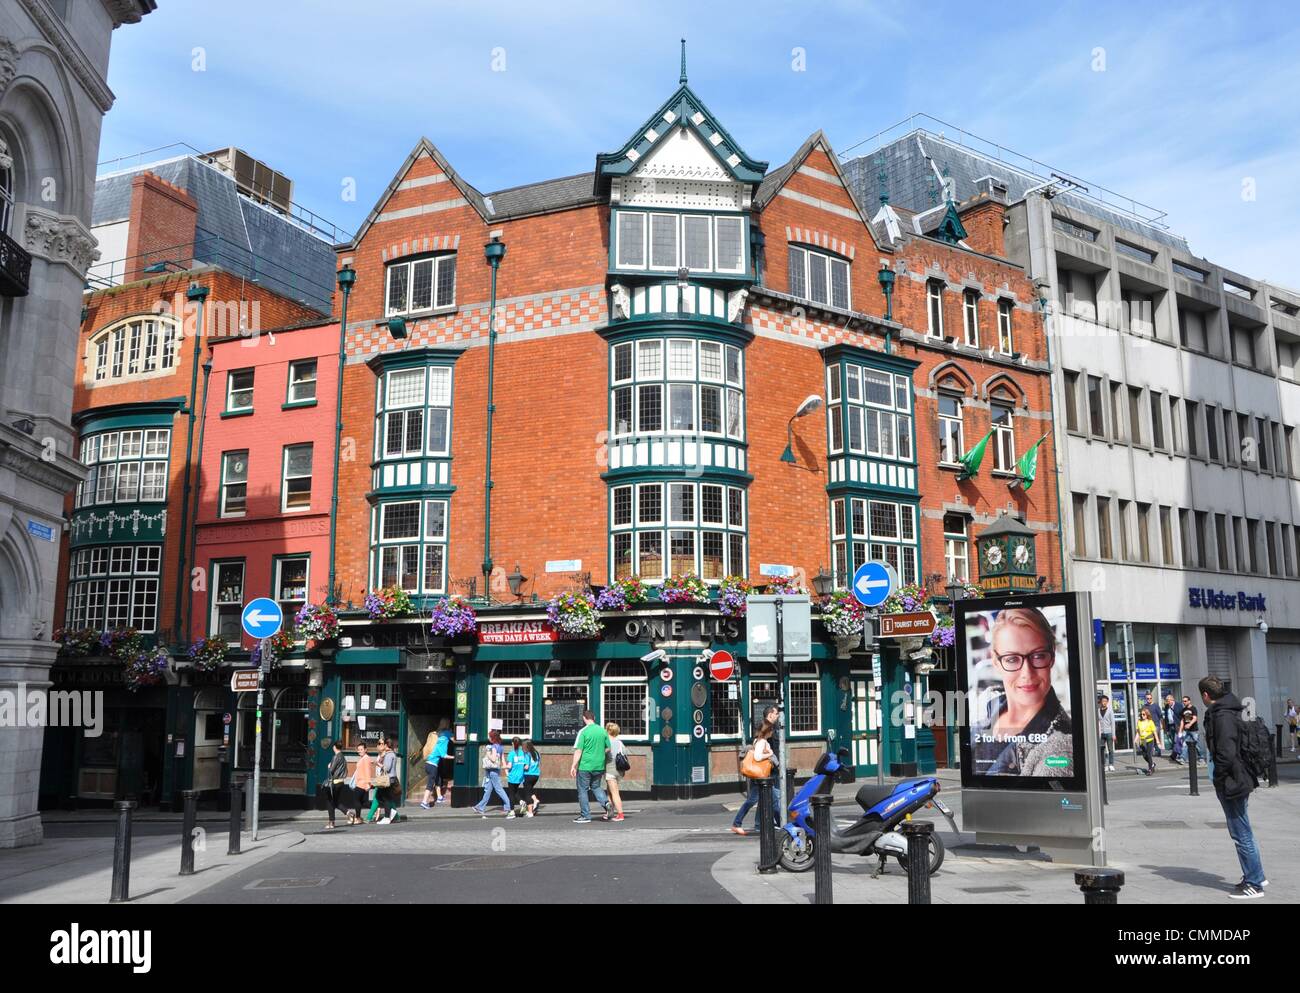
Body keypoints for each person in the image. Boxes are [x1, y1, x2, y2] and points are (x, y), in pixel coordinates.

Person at [971, 608, 1074, 776]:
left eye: (1038, 656)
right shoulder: (982, 717)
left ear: (1052, 658)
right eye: (1012, 659)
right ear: (996, 662)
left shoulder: (1060, 745)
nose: (1027, 673)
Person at [1200, 675, 1267, 899]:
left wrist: (1219, 775)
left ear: (1206, 695)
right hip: (1239, 777)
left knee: (1241, 833)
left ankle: (1255, 883)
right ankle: (1255, 874)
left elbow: (1226, 754)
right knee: (1243, 829)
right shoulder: (1231, 709)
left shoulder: (1222, 716)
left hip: (1233, 780)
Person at [731, 719, 777, 835]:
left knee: (773, 799)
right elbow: (757, 757)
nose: (772, 732)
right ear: (767, 731)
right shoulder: (762, 742)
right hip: (760, 776)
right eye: (771, 729)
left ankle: (776, 823)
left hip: (761, 776)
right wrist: (770, 754)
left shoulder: (758, 741)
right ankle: (736, 824)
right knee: (752, 801)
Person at [570, 709, 611, 823]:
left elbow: (578, 750)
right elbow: (608, 748)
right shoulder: (602, 731)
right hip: (599, 766)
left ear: (584, 718)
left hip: (585, 766)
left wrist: (573, 765)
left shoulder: (583, 732)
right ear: (594, 718)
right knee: (596, 787)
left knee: (582, 790)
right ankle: (606, 803)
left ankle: (585, 815)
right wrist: (600, 754)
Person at [473, 730, 511, 816]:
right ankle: (480, 807)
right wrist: (506, 772)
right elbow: (503, 761)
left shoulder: (493, 747)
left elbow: (493, 759)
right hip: (495, 770)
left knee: (499, 789)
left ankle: (508, 807)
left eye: (490, 736)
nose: (489, 738)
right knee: (488, 790)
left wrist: (487, 754)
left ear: (493, 738)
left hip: (492, 771)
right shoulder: (501, 747)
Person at [371, 737, 400, 824]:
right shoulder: (393, 754)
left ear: (387, 745)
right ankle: (391, 812)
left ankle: (387, 817)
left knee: (385, 798)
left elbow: (387, 768)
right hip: (392, 779)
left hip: (388, 779)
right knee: (382, 796)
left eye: (384, 744)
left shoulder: (389, 755)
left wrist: (378, 764)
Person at [346, 742, 374, 826]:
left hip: (362, 783)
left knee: (356, 800)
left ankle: (358, 818)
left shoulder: (366, 758)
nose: (360, 751)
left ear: (365, 750)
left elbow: (368, 771)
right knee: (363, 802)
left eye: (361, 749)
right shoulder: (362, 758)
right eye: (358, 750)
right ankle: (376, 807)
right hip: (360, 782)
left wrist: (368, 783)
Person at [324, 740, 349, 829]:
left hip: (334, 782)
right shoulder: (343, 756)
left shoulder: (336, 757)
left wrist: (329, 766)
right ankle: (348, 813)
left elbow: (331, 770)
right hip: (341, 782)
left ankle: (331, 822)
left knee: (330, 801)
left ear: (334, 747)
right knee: (336, 801)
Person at [605, 722, 627, 822]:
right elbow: (625, 754)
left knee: (614, 793)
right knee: (609, 792)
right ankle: (610, 813)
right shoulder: (620, 742)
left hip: (610, 769)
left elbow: (603, 756)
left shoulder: (607, 743)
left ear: (608, 731)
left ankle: (620, 814)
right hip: (620, 771)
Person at [505, 737, 530, 818]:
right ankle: (522, 802)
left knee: (511, 794)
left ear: (512, 743)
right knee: (515, 791)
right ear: (520, 744)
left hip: (512, 776)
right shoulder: (523, 753)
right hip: (520, 777)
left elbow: (509, 766)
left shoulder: (511, 754)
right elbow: (526, 767)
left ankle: (512, 812)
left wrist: (503, 766)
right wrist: (520, 767)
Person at [420, 730, 441, 810]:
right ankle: (424, 802)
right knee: (430, 784)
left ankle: (439, 797)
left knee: (437, 778)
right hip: (433, 766)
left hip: (427, 765)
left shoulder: (427, 747)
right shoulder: (436, 747)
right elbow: (443, 754)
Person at [1181, 695, 1207, 762]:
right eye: (1183, 701)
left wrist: (1189, 724)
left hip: (1193, 730)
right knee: (1184, 744)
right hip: (1186, 730)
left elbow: (1195, 718)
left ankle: (1201, 757)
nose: (1184, 702)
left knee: (1197, 744)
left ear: (1189, 701)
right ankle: (1183, 758)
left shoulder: (1193, 708)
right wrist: (1181, 729)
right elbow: (1182, 720)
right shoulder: (1183, 710)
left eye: (1185, 701)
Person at [520, 739, 542, 817]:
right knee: (529, 789)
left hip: (528, 774)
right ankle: (536, 800)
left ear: (526, 746)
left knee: (527, 793)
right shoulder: (537, 753)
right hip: (536, 775)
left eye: (523, 746)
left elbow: (526, 767)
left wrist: (519, 766)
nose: (522, 748)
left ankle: (530, 812)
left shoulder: (527, 754)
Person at [1135, 708, 1159, 775]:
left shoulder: (1150, 722)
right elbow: (1138, 732)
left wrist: (1157, 741)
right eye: (1141, 714)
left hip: (1150, 740)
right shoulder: (1139, 722)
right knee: (1144, 756)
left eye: (1144, 714)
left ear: (1147, 715)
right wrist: (1135, 739)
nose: (1142, 715)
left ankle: (1150, 770)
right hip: (1142, 741)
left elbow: (1154, 732)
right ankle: (1152, 764)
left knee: (1149, 755)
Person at [1164, 693, 1183, 764]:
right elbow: (1166, 717)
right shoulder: (1166, 706)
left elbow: (1182, 716)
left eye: (1168, 701)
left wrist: (1182, 725)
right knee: (1173, 741)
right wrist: (1166, 728)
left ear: (1172, 700)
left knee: (1177, 740)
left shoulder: (1179, 705)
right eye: (1166, 701)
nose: (1167, 702)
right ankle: (1174, 755)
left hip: (1177, 725)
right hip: (1170, 725)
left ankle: (1179, 756)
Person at [1098, 695, 1115, 772]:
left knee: (1110, 749)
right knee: (1102, 750)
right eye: (1103, 701)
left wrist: (1114, 734)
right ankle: (1104, 765)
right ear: (1101, 702)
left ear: (1107, 702)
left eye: (1105, 701)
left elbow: (1113, 723)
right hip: (1101, 733)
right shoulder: (1098, 711)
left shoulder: (1110, 711)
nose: (1104, 703)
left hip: (1109, 733)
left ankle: (1111, 764)